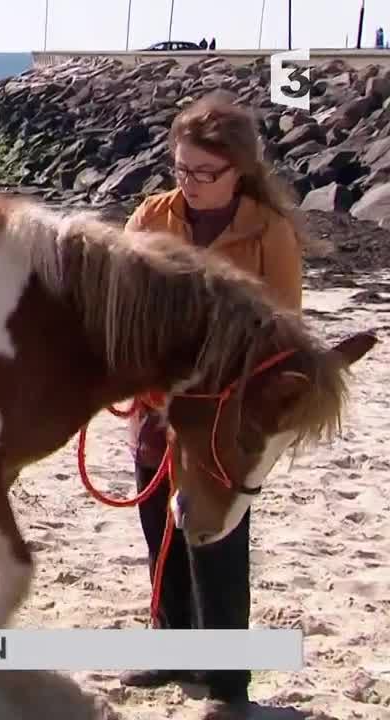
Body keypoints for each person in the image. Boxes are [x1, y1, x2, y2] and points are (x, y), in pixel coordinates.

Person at [119, 90, 303, 720]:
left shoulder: (268, 230)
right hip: (156, 398)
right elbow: (119, 304)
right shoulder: (151, 216)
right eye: (181, 169)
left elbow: (283, 329)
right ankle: (172, 645)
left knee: (217, 533)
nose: (191, 184)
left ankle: (227, 681)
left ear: (240, 171)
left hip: (223, 408)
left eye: (206, 172)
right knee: (159, 525)